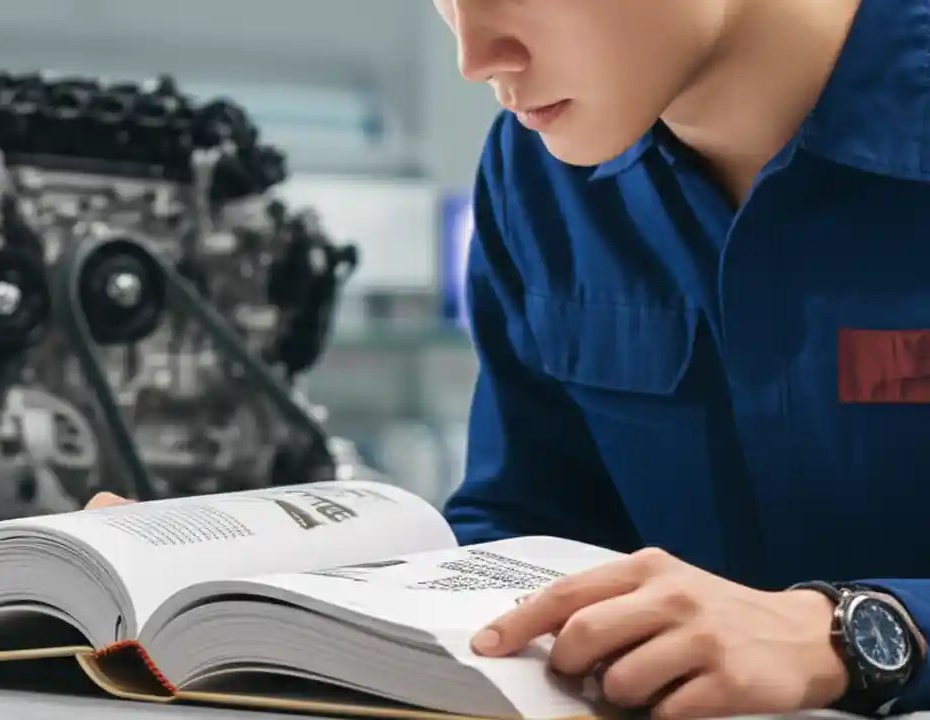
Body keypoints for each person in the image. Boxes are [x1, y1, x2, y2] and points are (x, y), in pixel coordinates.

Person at [90, 0, 930, 717]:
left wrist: (853, 631)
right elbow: (533, 533)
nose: (472, 54)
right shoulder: (539, 177)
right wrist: (276, 588)